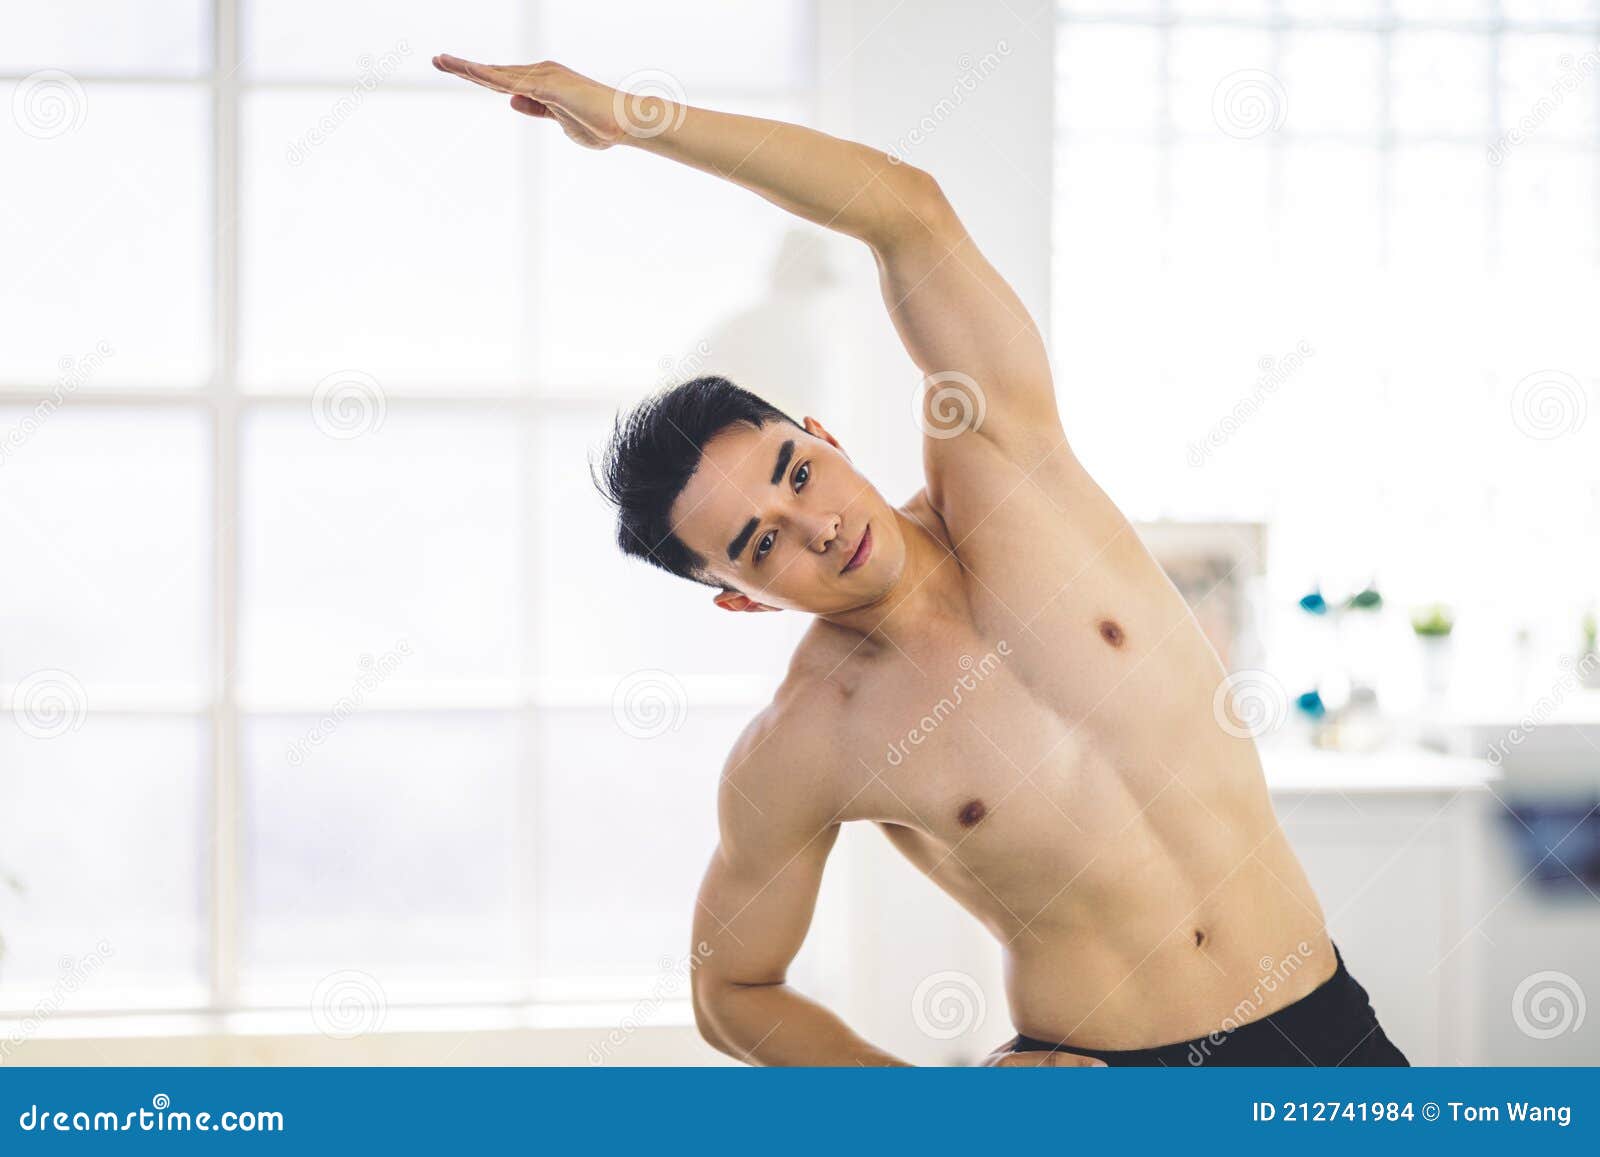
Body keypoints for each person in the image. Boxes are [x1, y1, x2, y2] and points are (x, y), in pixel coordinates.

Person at [434, 53, 1409, 1068]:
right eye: (761, 542)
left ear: (824, 433)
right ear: (738, 599)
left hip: (1327, 1031)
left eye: (795, 471)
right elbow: (731, 989)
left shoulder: (1005, 467)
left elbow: (905, 211)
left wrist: (639, 119)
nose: (812, 525)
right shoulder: (805, 742)